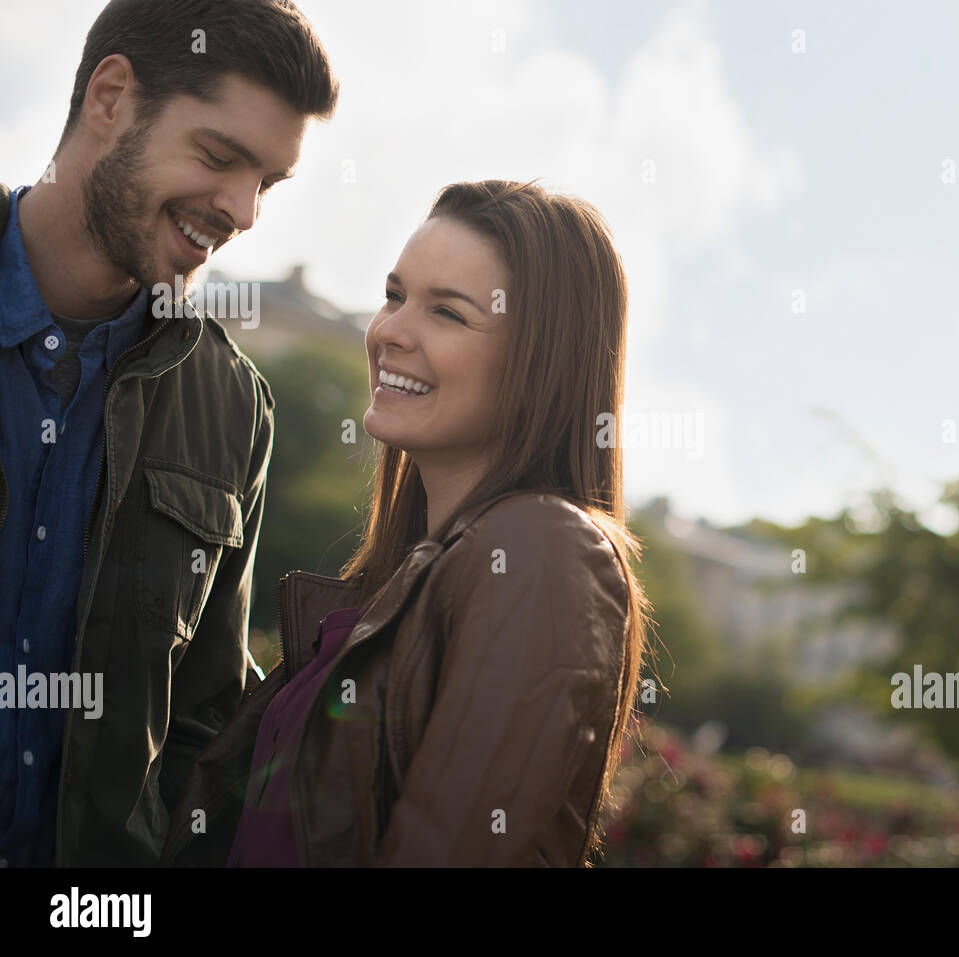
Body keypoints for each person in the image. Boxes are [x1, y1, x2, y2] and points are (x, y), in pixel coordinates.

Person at [162, 180, 652, 866]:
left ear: (541, 361)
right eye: (395, 296)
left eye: (447, 313)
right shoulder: (416, 573)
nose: (390, 330)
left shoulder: (543, 549)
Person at [0, 0, 337, 866]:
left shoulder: (234, 411)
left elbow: (200, 732)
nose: (243, 210)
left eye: (265, 181)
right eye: (220, 157)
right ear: (110, 97)